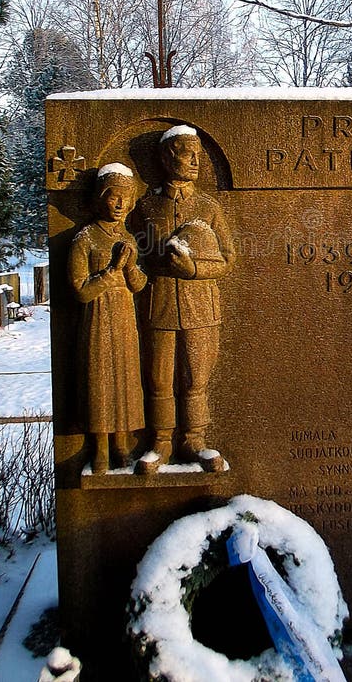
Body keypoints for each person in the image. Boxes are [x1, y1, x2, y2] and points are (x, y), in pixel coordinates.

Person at [133, 125, 235, 471]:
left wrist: (192, 268)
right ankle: (160, 441)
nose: (195, 161)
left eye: (198, 155)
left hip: (201, 305)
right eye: (187, 153)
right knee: (159, 375)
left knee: (196, 376)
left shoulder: (208, 207)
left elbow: (228, 258)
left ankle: (194, 440)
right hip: (158, 302)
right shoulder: (145, 206)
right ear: (166, 157)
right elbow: (135, 250)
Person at [68, 163, 146, 473]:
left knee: (125, 378)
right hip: (98, 316)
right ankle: (100, 447)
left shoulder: (128, 237)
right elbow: (80, 290)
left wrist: (128, 268)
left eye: (126, 199)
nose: (120, 205)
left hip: (124, 316)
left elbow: (139, 284)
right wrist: (111, 271)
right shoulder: (85, 238)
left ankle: (122, 443)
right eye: (114, 197)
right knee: (101, 378)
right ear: (101, 198)